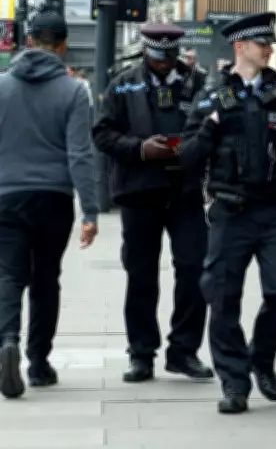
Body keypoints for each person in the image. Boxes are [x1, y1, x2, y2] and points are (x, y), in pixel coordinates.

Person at [178, 12, 276, 415]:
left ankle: (262, 358)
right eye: (263, 44)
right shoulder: (212, 97)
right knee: (222, 299)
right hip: (231, 211)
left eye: (270, 44)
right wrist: (210, 128)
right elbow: (187, 156)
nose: (270, 50)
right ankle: (234, 383)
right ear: (241, 47)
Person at [92, 22, 213, 384]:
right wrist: (140, 148)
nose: (164, 64)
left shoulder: (197, 82)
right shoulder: (123, 83)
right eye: (159, 57)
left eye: (170, 57)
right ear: (146, 51)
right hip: (139, 190)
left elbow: (213, 128)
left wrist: (192, 149)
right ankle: (141, 353)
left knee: (194, 268)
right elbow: (102, 133)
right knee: (141, 274)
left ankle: (184, 351)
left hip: (184, 190)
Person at [0, 10, 98, 399]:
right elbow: (80, 154)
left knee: (9, 275)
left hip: (6, 196)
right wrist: (90, 210)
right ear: (63, 45)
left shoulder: (1, 86)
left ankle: (7, 339)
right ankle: (38, 363)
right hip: (54, 198)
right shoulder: (74, 91)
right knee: (45, 279)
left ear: (28, 41)